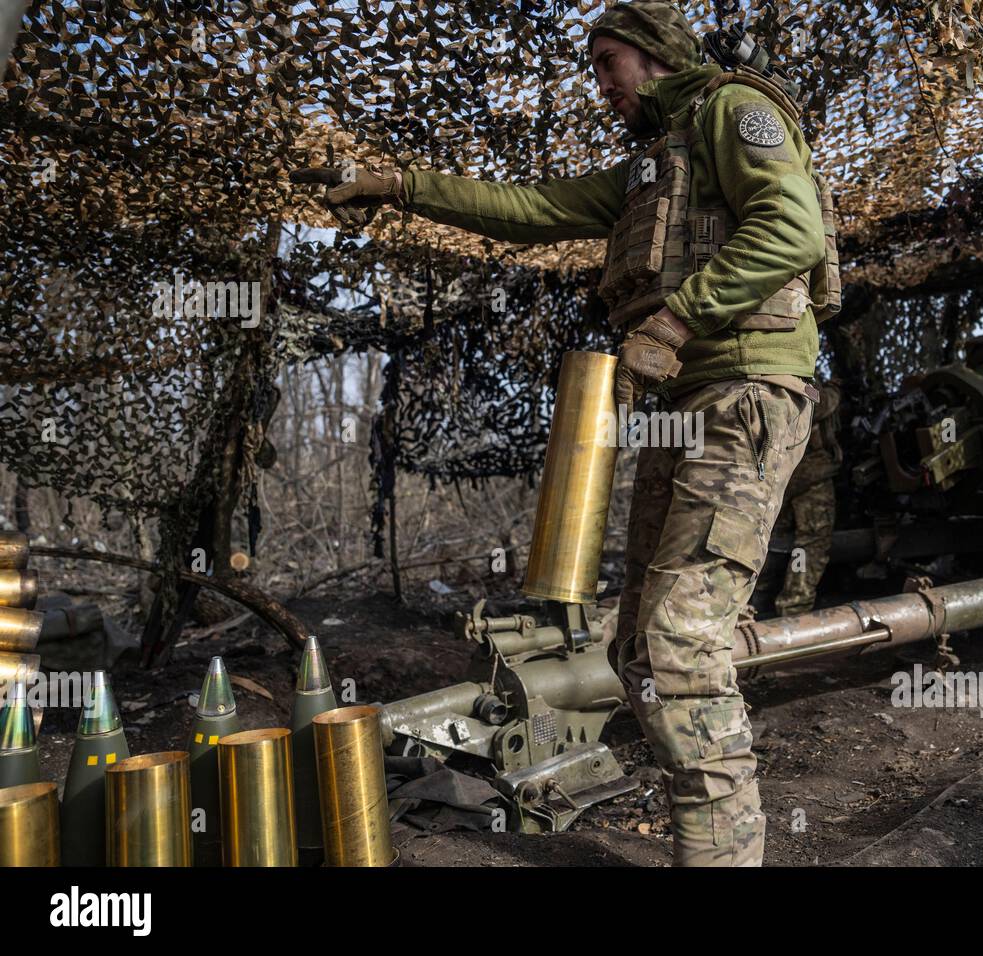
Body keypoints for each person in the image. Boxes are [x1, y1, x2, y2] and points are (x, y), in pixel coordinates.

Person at [292, 0, 836, 866]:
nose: (600, 86)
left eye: (608, 63)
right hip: (688, 405)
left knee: (679, 647)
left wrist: (677, 321)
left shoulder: (737, 110)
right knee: (636, 648)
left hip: (745, 392)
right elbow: (530, 208)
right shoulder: (648, 168)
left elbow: (792, 228)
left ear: (653, 57)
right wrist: (400, 188)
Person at [773, 378, 842, 617]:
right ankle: (792, 614)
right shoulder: (801, 376)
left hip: (777, 475)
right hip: (810, 476)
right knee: (809, 545)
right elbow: (818, 404)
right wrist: (836, 390)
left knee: (773, 540)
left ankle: (755, 602)